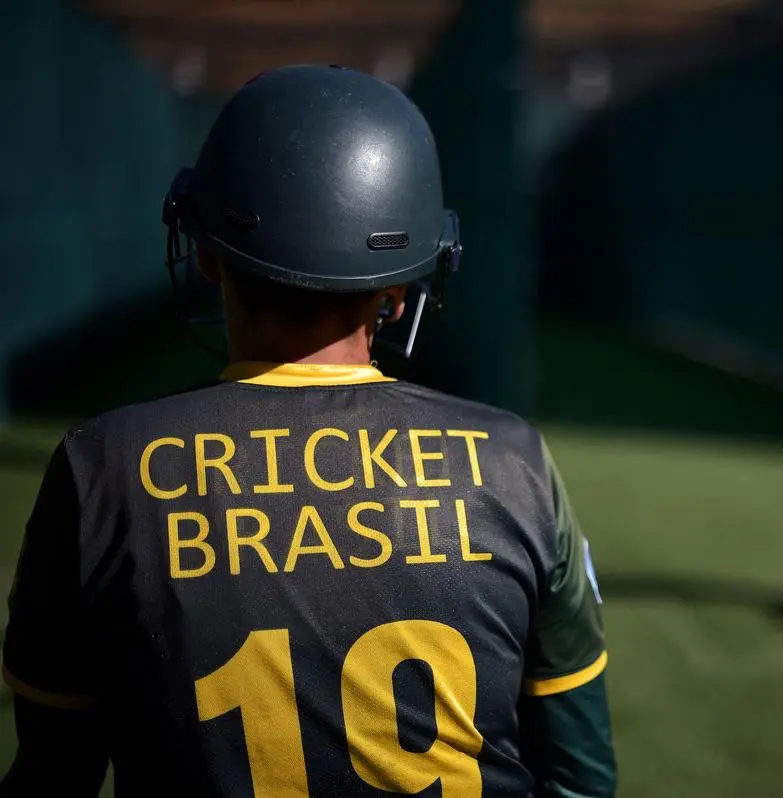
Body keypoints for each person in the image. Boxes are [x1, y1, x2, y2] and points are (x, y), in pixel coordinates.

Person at [0, 65, 616, 797]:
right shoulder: (515, 465)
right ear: (402, 287)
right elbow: (580, 777)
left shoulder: (99, 470)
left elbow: (53, 772)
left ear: (206, 255)